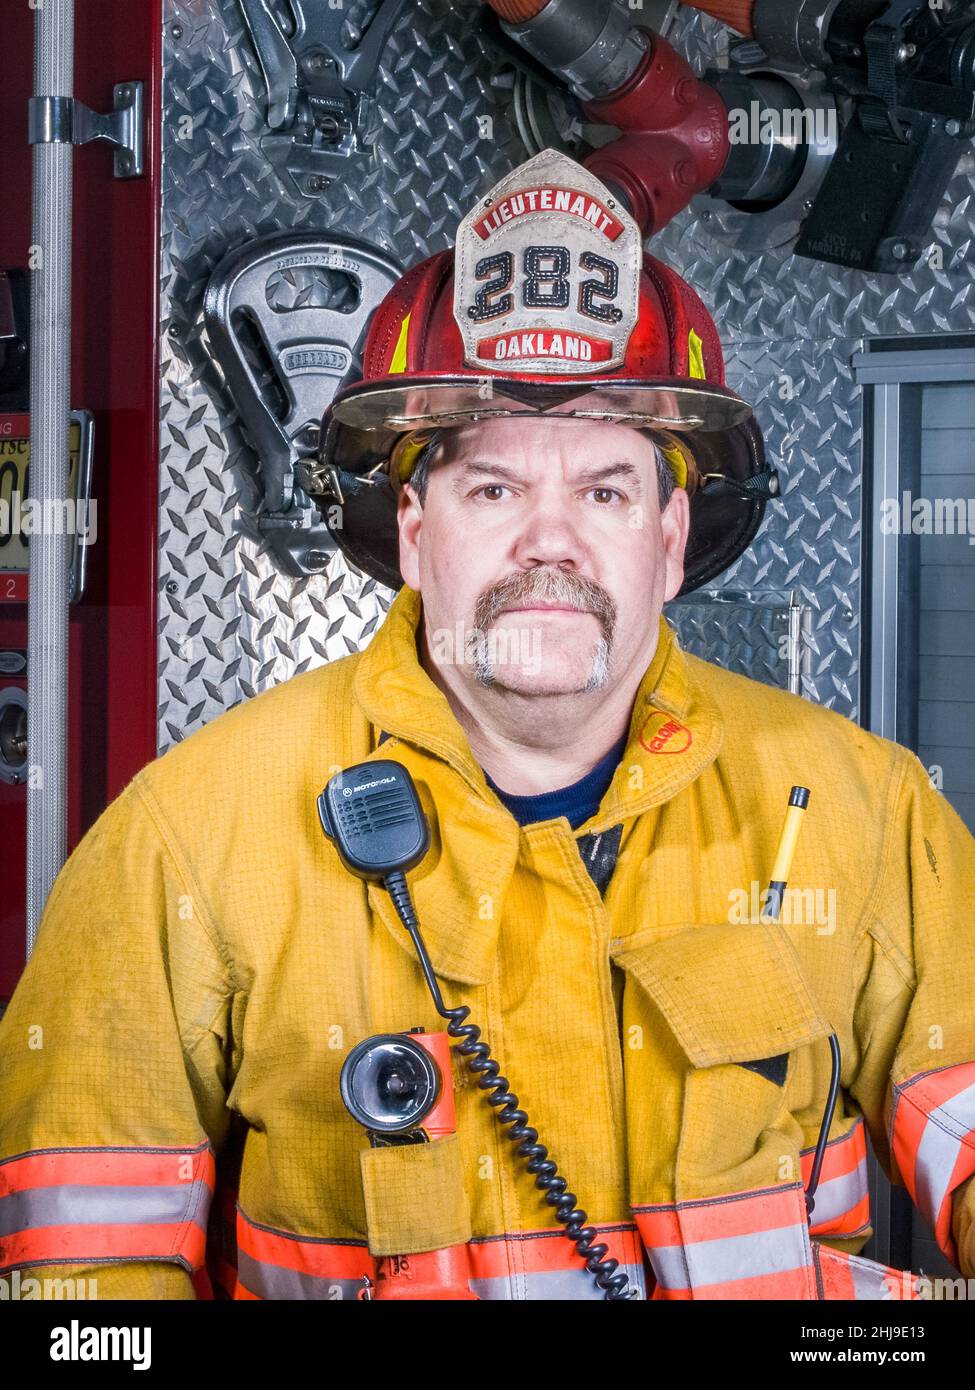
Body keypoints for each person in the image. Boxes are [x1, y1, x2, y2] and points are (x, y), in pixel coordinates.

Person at [1, 150, 973, 1302]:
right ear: (414, 533)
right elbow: (83, 1288)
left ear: (668, 540)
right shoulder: (185, 840)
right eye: (493, 488)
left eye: (606, 490)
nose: (549, 541)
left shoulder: (856, 806)